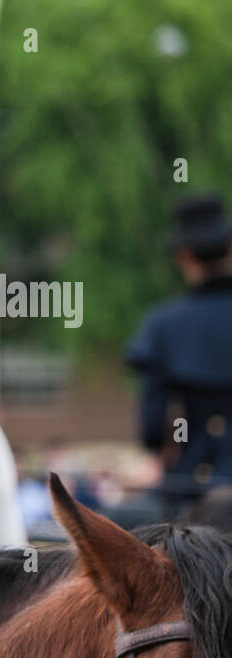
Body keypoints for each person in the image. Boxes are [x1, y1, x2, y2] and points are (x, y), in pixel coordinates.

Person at [125, 194, 232, 517]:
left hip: (190, 477)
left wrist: (160, 451)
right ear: (230, 246)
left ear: (183, 256)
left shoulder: (164, 325)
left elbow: (152, 421)